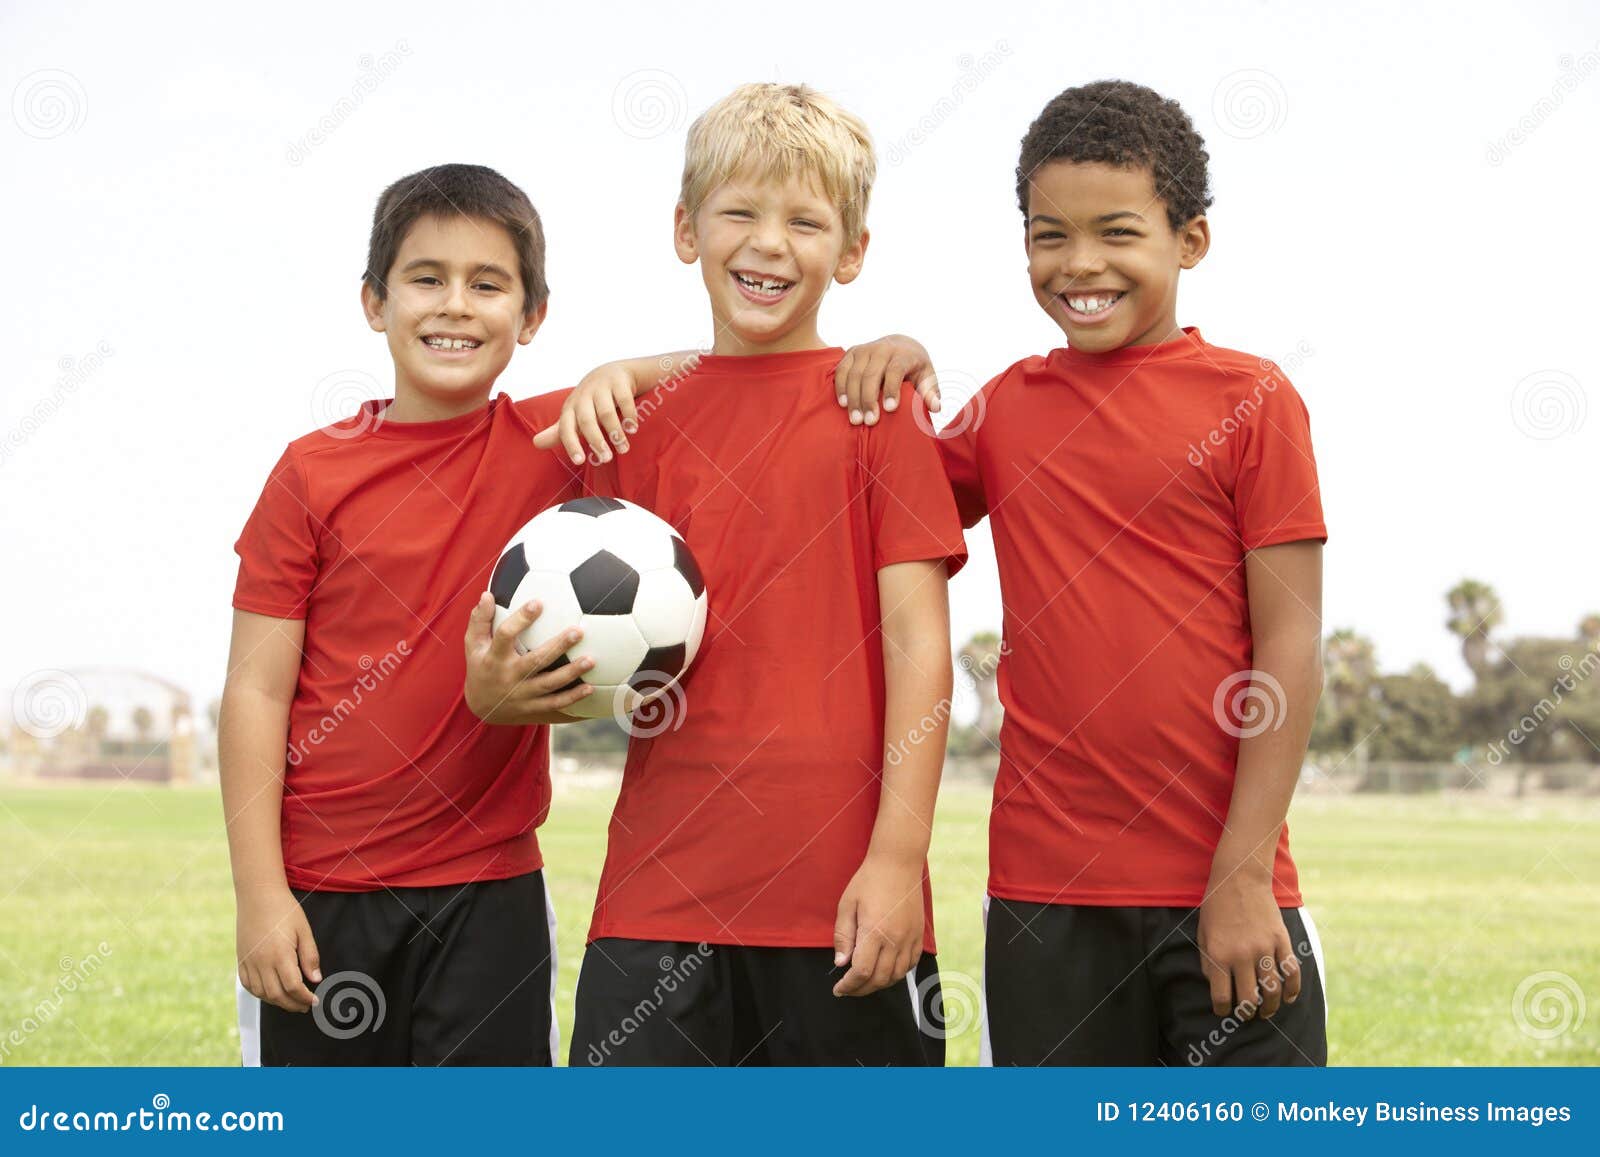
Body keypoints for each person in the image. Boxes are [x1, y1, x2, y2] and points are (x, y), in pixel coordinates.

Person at [482, 82, 966, 1065]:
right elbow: (517, 576)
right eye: (739, 212)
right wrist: (493, 691)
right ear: (686, 229)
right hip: (657, 896)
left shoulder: (878, 412)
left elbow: (921, 651)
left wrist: (897, 858)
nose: (769, 243)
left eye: (805, 220)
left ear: (853, 251)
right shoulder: (624, 419)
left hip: (844, 900)